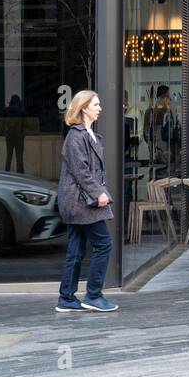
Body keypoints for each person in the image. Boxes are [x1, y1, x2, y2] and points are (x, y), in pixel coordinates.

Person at [55, 90, 117, 313]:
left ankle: (66, 298)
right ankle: (93, 295)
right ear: (83, 108)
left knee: (76, 249)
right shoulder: (76, 136)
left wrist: (101, 190)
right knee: (104, 245)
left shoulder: (89, 135)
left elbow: (93, 170)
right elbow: (81, 171)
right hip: (80, 202)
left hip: (80, 201)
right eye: (96, 105)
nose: (100, 108)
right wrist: (98, 193)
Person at [2, 95, 27, 173]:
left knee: (8, 157)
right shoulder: (21, 111)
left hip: (9, 137)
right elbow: (25, 124)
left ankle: (7, 173)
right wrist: (23, 134)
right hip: (19, 137)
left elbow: (2, 122)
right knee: (19, 158)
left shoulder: (6, 110)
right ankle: (20, 175)